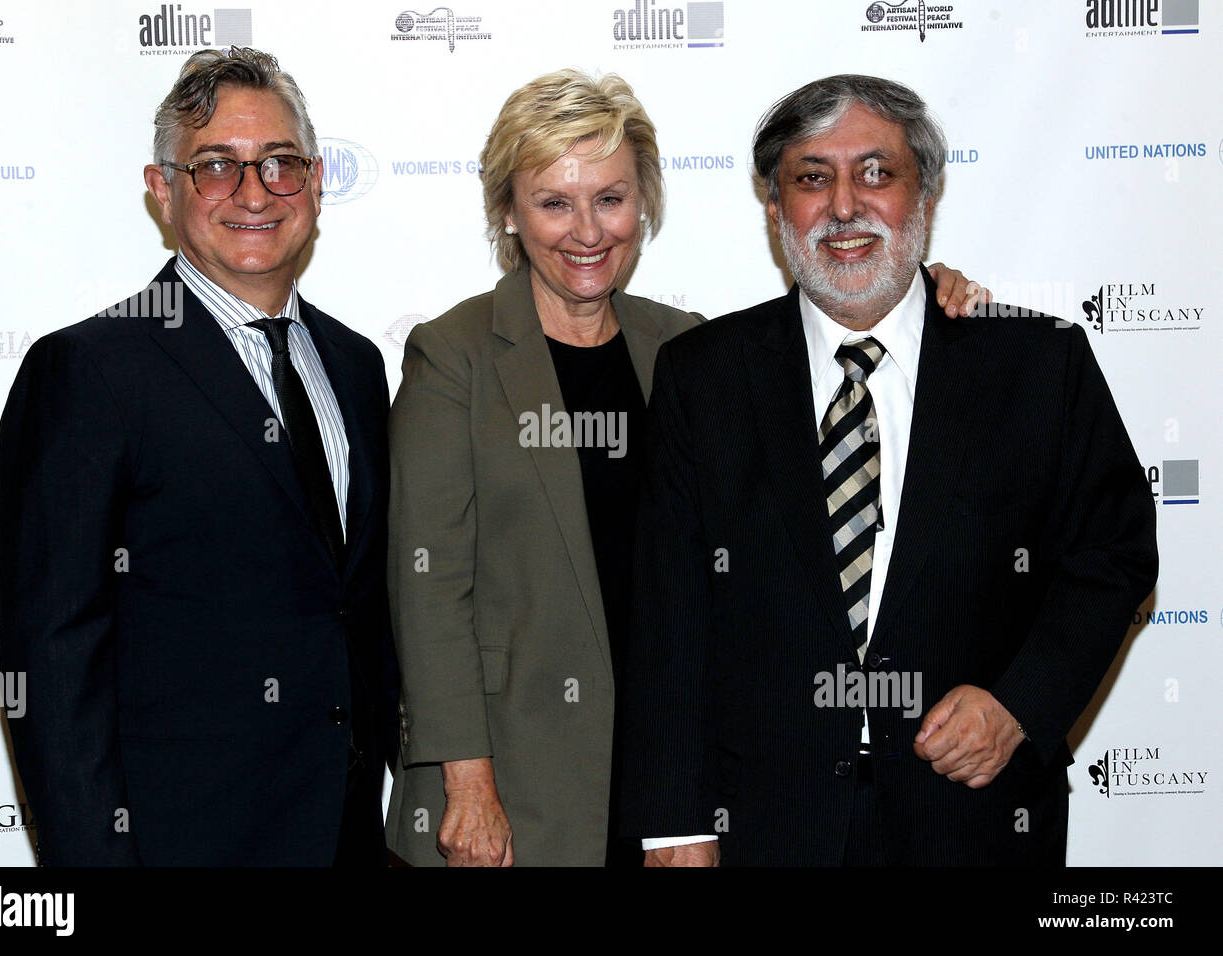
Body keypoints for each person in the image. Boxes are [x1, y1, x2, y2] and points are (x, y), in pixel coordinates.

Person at [383, 69, 989, 866]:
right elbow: (428, 594)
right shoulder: (455, 355)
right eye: (554, 201)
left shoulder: (688, 350)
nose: (587, 231)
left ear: (645, 204)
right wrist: (466, 786)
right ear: (509, 212)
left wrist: (928, 296)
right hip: (511, 784)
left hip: (676, 779)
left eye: (610, 198)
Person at [617, 74, 1159, 866]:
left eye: (877, 172)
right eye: (811, 178)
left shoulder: (1038, 364)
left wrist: (1017, 705)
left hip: (975, 819)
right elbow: (669, 615)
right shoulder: (704, 376)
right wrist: (675, 821)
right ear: (775, 210)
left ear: (925, 199)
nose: (843, 206)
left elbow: (1112, 554)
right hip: (765, 828)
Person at [0, 47, 397, 866]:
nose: (254, 193)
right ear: (162, 189)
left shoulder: (356, 366)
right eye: (217, 166)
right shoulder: (88, 371)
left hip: (345, 835)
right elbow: (54, 660)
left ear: (317, 183)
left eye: (280, 164)